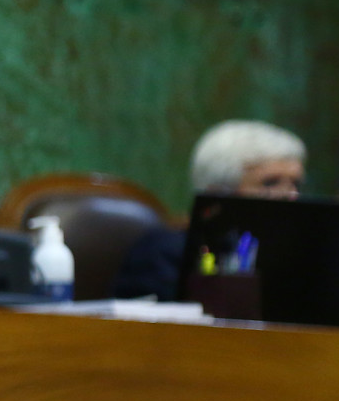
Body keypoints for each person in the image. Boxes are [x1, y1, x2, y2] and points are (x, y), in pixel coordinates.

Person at [113, 120, 307, 299]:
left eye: (296, 184)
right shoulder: (165, 251)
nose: (290, 195)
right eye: (269, 183)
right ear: (219, 191)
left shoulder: (292, 254)